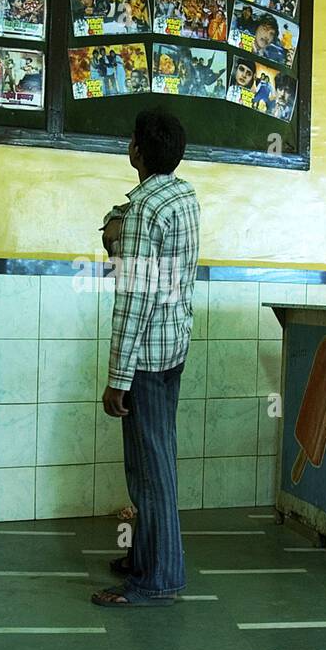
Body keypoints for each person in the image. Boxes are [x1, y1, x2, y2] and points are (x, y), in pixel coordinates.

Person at [92, 109, 201, 608]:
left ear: (137, 150)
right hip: (171, 346)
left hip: (146, 359)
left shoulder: (143, 213)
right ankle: (147, 559)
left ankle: (158, 579)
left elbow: (133, 299)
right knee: (153, 460)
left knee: (149, 469)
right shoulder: (181, 197)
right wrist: (118, 229)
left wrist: (118, 378)